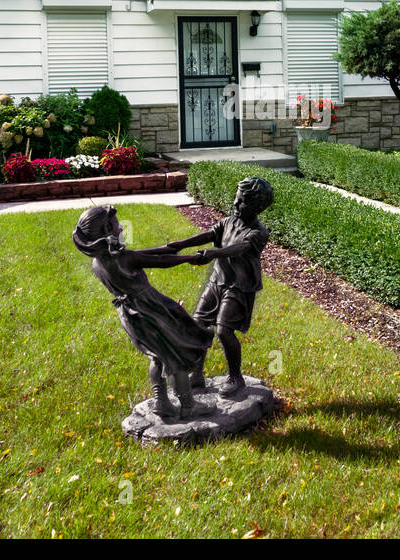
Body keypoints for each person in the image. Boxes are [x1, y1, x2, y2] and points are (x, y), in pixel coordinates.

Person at [72, 205, 215, 419]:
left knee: (157, 356)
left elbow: (142, 255)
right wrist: (190, 258)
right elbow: (157, 262)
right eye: (116, 225)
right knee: (176, 355)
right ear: (106, 231)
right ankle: (188, 405)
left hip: (130, 316)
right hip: (151, 310)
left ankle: (161, 402)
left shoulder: (98, 261)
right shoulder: (123, 258)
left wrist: (167, 248)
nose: (120, 229)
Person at [165, 177, 273, 397]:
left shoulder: (259, 232)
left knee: (224, 331)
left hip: (239, 287)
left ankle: (236, 377)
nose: (235, 205)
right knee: (198, 325)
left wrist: (212, 253)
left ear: (256, 206)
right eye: (236, 199)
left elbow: (239, 248)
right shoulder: (228, 222)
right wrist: (181, 244)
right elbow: (210, 234)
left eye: (241, 202)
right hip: (217, 280)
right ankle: (196, 374)